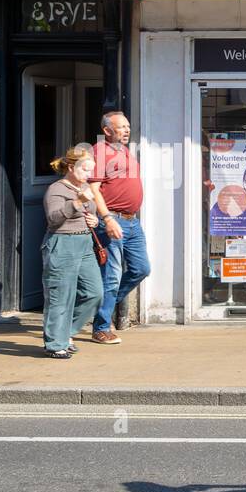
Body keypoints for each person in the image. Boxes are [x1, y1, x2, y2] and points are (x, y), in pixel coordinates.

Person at [89, 110, 150, 344]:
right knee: (112, 277)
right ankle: (101, 327)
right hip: (113, 221)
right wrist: (107, 219)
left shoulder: (123, 151)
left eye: (127, 126)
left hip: (132, 221)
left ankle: (102, 308)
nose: (126, 130)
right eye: (121, 127)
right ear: (107, 131)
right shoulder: (100, 152)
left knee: (141, 269)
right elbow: (94, 190)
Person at [41, 145, 103, 359]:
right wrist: (78, 202)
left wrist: (94, 221)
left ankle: (67, 332)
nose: (88, 175)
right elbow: (54, 218)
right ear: (70, 166)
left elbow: (92, 211)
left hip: (85, 243)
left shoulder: (83, 187)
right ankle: (55, 344)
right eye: (85, 170)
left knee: (95, 292)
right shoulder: (57, 189)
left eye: (90, 170)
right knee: (60, 296)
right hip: (62, 243)